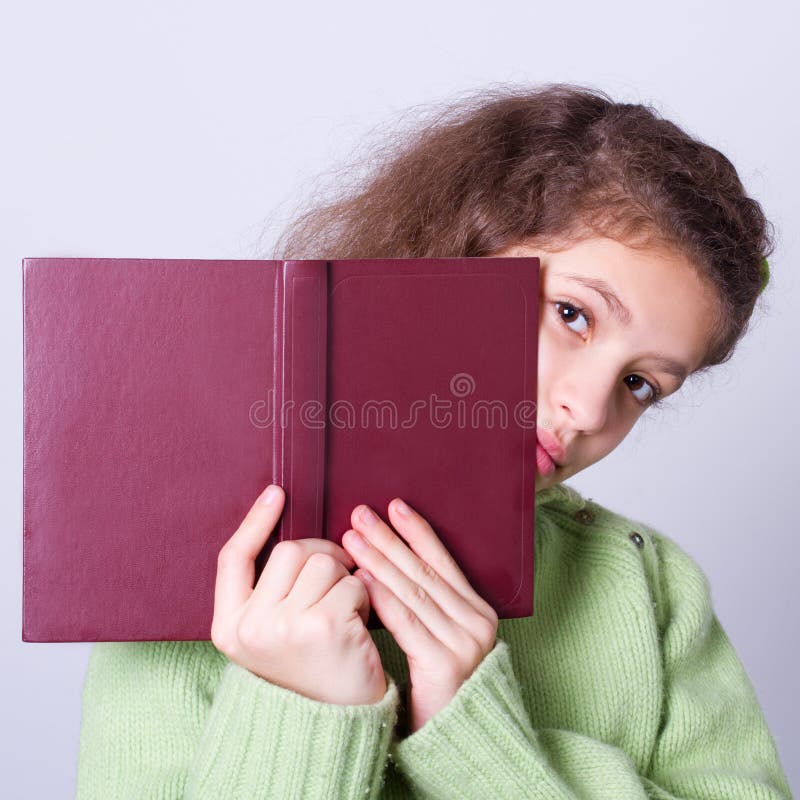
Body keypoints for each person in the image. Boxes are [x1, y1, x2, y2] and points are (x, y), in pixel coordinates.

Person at [75, 83, 791, 798]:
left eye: (640, 384)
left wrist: (476, 733)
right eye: (573, 314)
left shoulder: (652, 589)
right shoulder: (188, 574)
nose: (587, 408)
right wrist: (304, 712)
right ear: (451, 254)